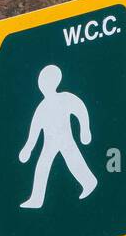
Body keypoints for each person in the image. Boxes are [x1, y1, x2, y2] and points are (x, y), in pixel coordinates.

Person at [18, 64, 98, 209]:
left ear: (56, 81)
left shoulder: (65, 98)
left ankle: (89, 182)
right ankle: (36, 199)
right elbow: (34, 131)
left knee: (73, 160)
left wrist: (85, 130)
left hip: (66, 138)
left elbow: (80, 110)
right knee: (43, 165)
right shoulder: (41, 107)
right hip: (49, 142)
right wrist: (27, 149)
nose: (43, 84)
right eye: (42, 82)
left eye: (46, 81)